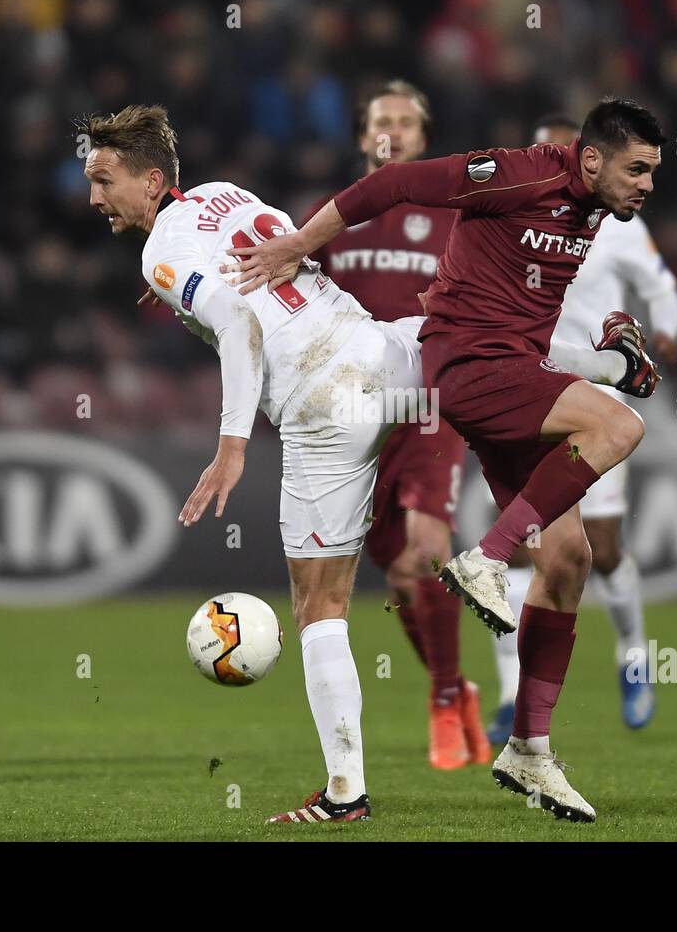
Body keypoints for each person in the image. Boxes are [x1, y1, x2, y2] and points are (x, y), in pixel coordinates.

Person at [225, 98, 665, 822]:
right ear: (592, 159)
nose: (648, 184)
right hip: (464, 368)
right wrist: (300, 243)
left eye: (654, 171)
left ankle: (529, 748)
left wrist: (611, 364)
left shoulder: (590, 214)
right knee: (618, 430)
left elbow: (525, 329)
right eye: (638, 168)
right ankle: (488, 560)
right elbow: (395, 185)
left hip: (512, 373)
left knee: (568, 558)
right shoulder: (521, 176)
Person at [81, 104, 428, 824]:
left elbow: (239, 321)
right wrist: (182, 292)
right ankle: (601, 363)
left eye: (103, 179)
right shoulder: (224, 195)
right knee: (489, 366)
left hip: (325, 407)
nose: (92, 197)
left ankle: (345, 796)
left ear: (150, 182)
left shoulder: (158, 253)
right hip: (375, 350)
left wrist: (231, 443)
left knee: (320, 607)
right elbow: (274, 268)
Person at [304, 79, 485, 771]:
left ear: (423, 137)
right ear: (361, 135)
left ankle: (443, 698)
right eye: (382, 120)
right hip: (351, 413)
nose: (394, 131)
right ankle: (456, 686)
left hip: (430, 400)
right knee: (400, 574)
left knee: (425, 548)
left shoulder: (460, 216)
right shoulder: (330, 220)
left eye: (408, 121)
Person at [488, 115, 677, 742]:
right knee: (526, 546)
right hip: (524, 391)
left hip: (589, 397)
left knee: (602, 545)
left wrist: (671, 328)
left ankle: (633, 655)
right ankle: (509, 692)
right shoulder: (515, 211)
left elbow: (661, 284)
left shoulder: (617, 223)